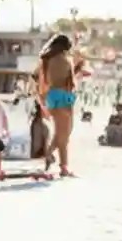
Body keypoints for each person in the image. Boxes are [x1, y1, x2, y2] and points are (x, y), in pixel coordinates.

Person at [37, 33, 81, 177]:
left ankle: (54, 158)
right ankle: (61, 165)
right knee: (65, 134)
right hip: (64, 95)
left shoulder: (46, 60)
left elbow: (42, 80)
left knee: (60, 132)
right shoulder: (65, 60)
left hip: (52, 95)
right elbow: (70, 80)